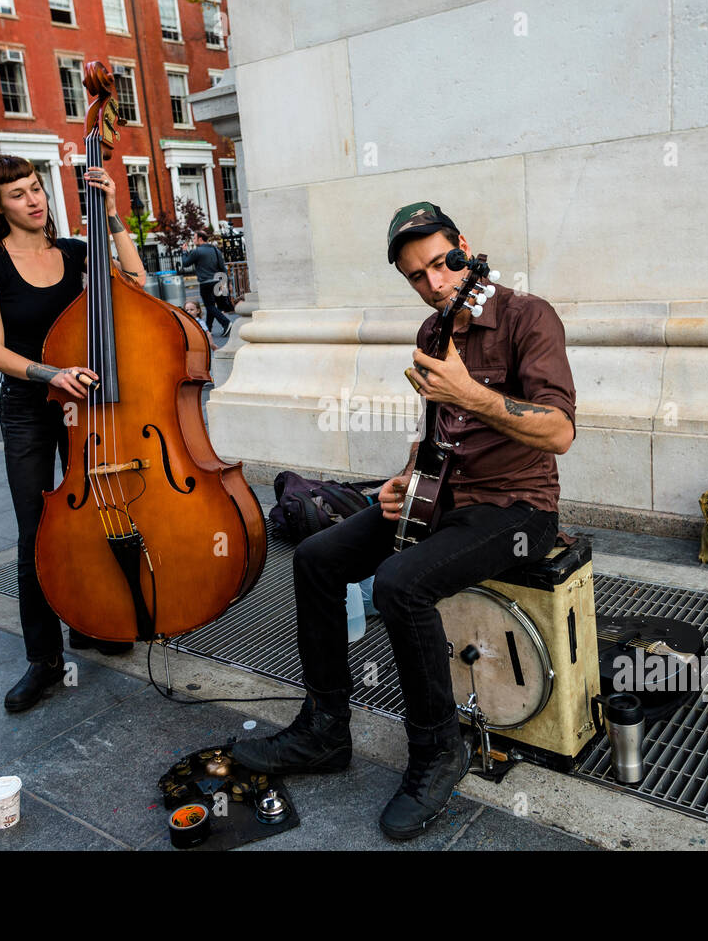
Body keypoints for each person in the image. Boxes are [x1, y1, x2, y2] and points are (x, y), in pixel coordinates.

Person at [232, 202, 577, 840]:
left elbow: (559, 432)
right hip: (444, 498)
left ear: (465, 249)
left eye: (443, 263)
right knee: (314, 558)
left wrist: (468, 391)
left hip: (518, 508)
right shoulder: (430, 334)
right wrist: (402, 481)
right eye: (418, 276)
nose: (436, 282)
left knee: (398, 583)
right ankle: (325, 730)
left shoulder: (529, 316)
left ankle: (438, 751)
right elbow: (437, 436)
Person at [0, 154, 146, 713]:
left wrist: (114, 216)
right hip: (26, 405)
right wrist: (53, 374)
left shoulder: (74, 252)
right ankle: (43, 659)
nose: (34, 199)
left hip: (81, 407)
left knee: (93, 515)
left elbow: (137, 283)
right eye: (19, 194)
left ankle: (92, 622)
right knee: (37, 528)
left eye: (36, 188)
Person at [179, 231, 231, 337]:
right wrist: (227, 282)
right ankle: (208, 329)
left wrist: (184, 251)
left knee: (209, 305)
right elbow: (222, 267)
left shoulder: (197, 251)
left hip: (205, 283)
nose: (193, 240)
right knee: (210, 306)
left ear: (200, 239)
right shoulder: (215, 250)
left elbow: (185, 263)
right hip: (218, 281)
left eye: (194, 238)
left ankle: (226, 323)